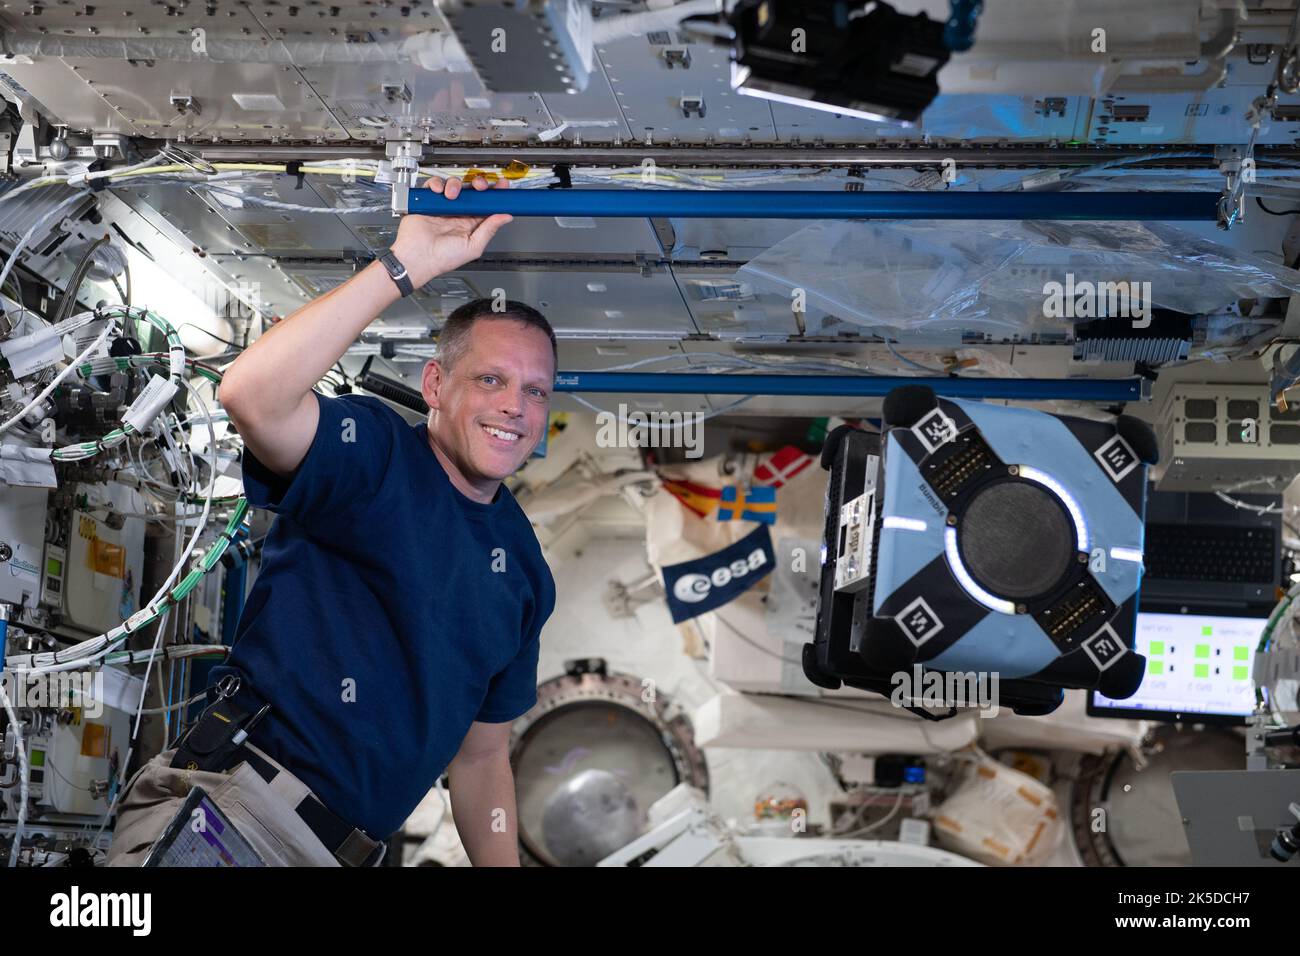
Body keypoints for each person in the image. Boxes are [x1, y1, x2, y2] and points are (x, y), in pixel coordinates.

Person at [107, 174, 557, 867]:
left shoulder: (522, 570)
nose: (514, 408)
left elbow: (482, 757)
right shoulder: (372, 454)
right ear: (435, 386)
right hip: (240, 820)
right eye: (490, 380)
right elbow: (251, 397)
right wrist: (403, 269)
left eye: (535, 391)